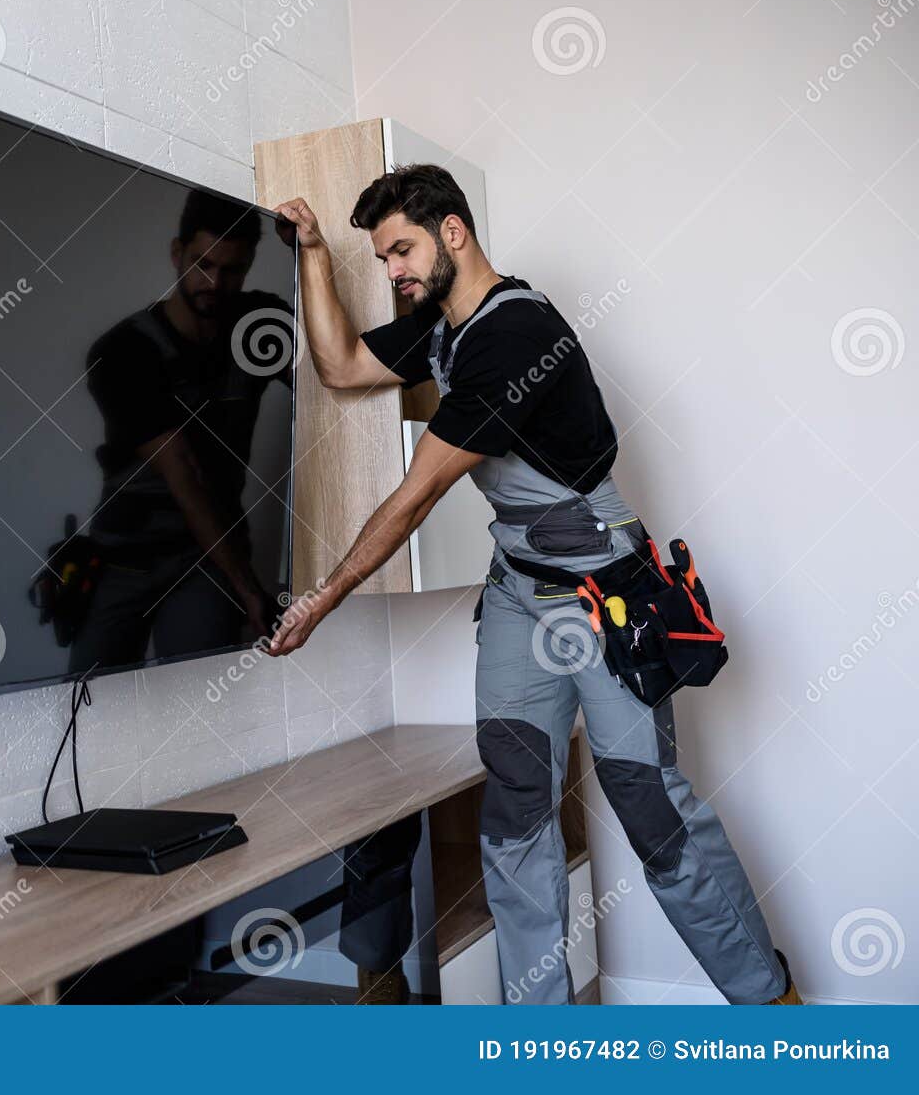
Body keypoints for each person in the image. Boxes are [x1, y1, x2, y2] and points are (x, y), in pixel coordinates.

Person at [266, 165, 802, 1005]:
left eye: (401, 249)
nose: (394, 270)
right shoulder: (441, 327)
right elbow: (338, 366)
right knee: (515, 810)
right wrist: (311, 255)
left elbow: (414, 499)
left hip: (603, 595)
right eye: (381, 258)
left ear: (453, 233)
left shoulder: (514, 337)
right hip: (520, 590)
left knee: (650, 808)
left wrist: (321, 598)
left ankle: (771, 1007)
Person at [70, 191, 286, 671]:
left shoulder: (258, 324)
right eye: (202, 263)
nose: (214, 281)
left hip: (208, 559)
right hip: (124, 557)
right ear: (177, 253)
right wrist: (248, 587)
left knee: (204, 694)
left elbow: (335, 372)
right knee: (89, 699)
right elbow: (184, 473)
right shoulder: (124, 351)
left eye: (232, 269)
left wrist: (305, 255)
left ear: (249, 264)